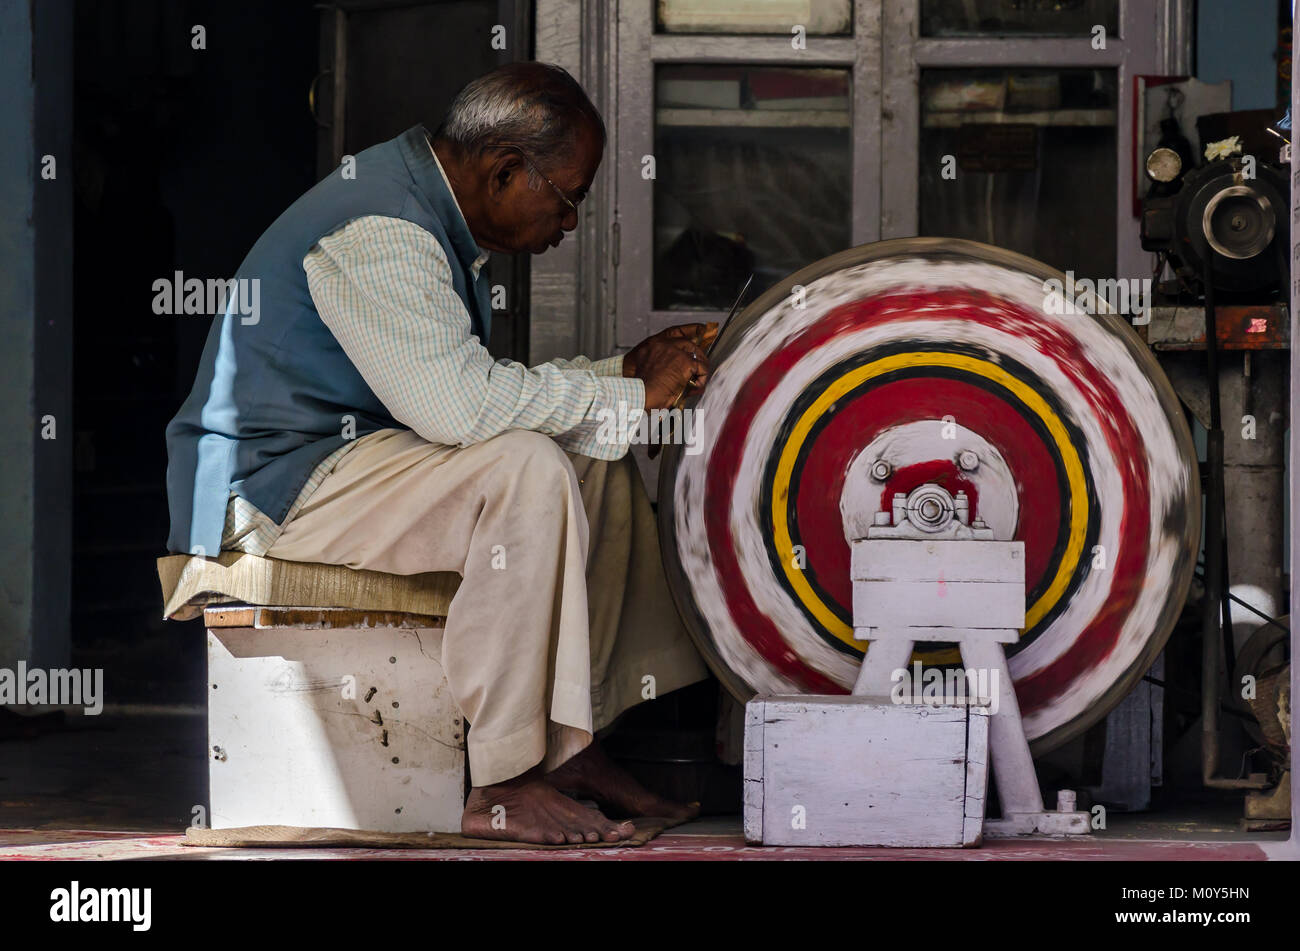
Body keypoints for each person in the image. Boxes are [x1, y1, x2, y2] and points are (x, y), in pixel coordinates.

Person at [165, 61, 719, 845]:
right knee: (524, 468)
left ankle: (567, 744)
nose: (569, 227)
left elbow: (466, 389)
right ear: (503, 171)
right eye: (568, 200)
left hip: (337, 468)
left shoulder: (417, 210)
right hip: (266, 497)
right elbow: (460, 408)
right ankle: (503, 780)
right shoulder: (382, 231)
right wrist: (628, 396)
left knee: (594, 456)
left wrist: (623, 377)